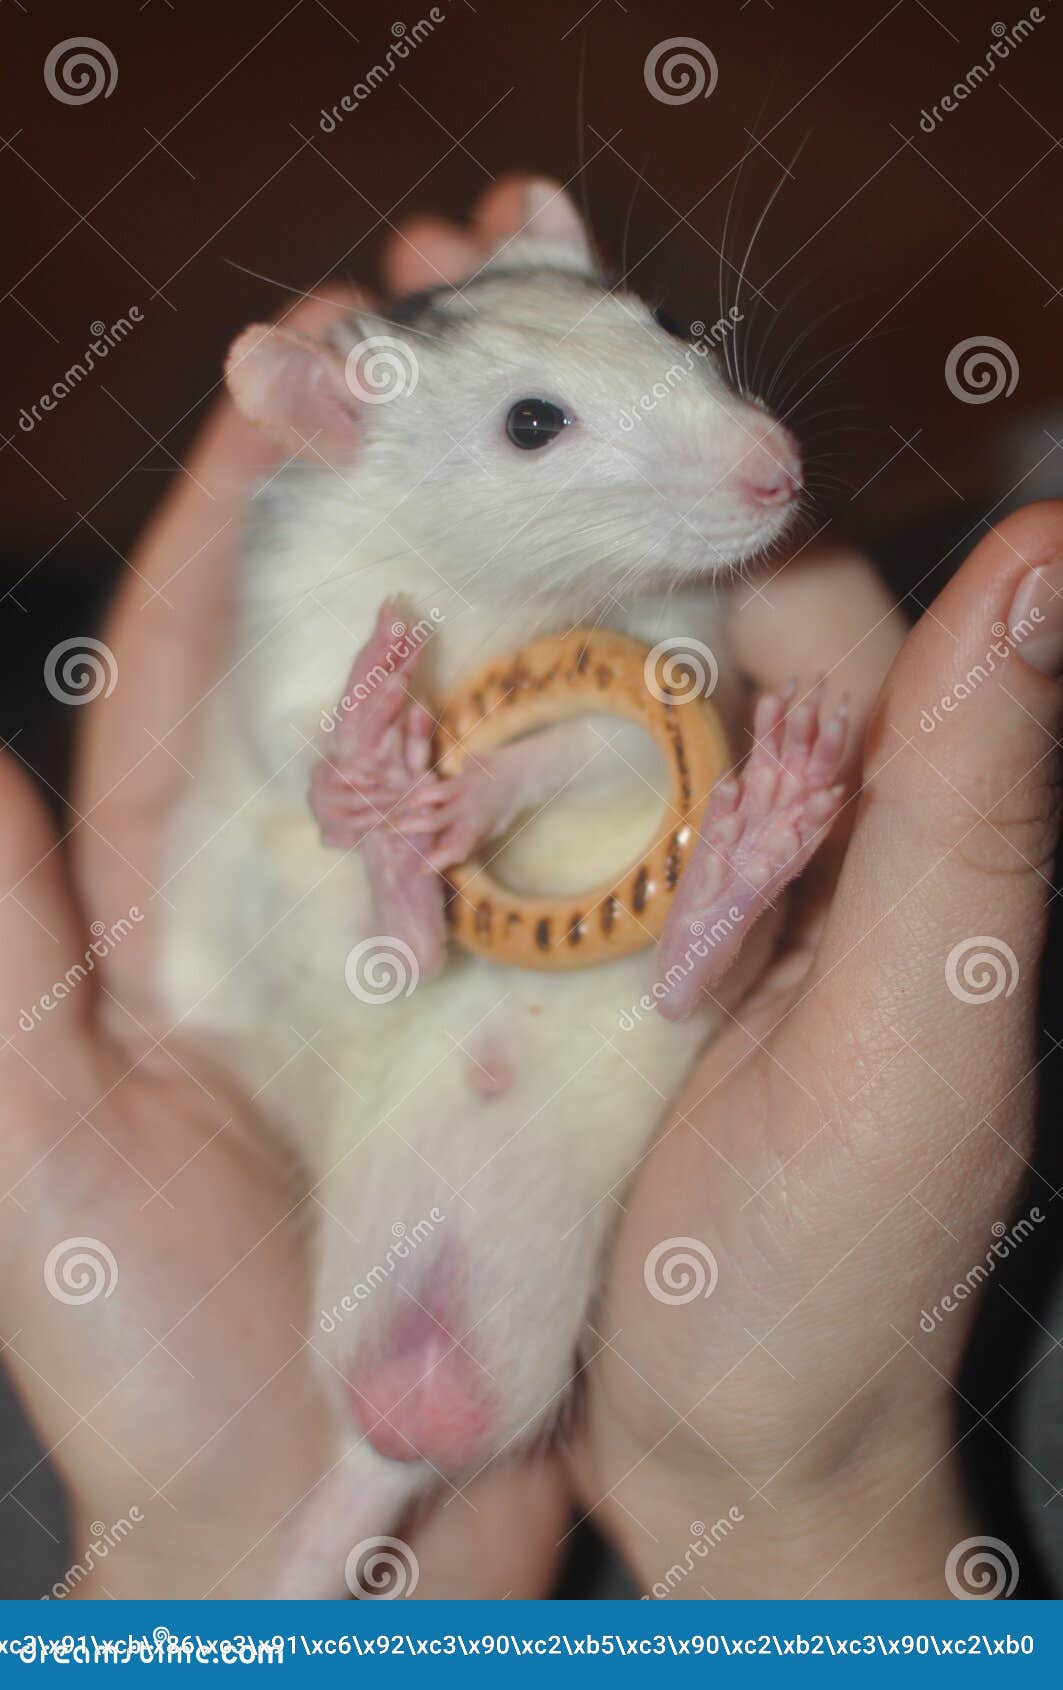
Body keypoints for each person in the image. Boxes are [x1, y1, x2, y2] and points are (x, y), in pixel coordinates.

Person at [0, 178, 1058, 1599]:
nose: (762, 458)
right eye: (537, 424)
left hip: (509, 1025)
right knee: (453, 954)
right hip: (393, 1024)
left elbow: (640, 743)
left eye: (665, 340)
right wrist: (791, 1507)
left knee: (625, 992)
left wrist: (196, 1558)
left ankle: (700, 908)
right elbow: (289, 738)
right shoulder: (336, 563)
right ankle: (673, 910)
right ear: (344, 427)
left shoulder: (647, 611)